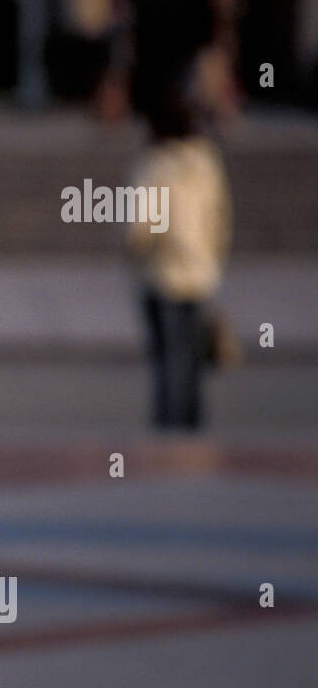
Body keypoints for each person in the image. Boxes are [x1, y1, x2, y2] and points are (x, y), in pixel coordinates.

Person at [125, 65, 232, 431]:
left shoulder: (155, 164)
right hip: (200, 272)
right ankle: (192, 428)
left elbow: (140, 225)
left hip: (163, 273)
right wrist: (213, 258)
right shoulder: (206, 162)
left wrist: (135, 251)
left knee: (168, 358)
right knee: (192, 358)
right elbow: (219, 219)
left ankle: (169, 433)